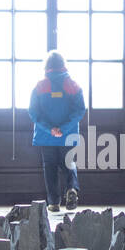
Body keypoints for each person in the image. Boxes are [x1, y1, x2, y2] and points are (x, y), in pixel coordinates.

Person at [28, 51, 86, 212]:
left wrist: (50, 129)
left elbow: (33, 111)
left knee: (50, 167)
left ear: (47, 67)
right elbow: (80, 109)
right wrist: (64, 128)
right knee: (69, 162)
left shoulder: (40, 86)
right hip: (68, 135)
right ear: (63, 65)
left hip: (46, 136)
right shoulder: (72, 85)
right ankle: (72, 188)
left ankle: (53, 202)